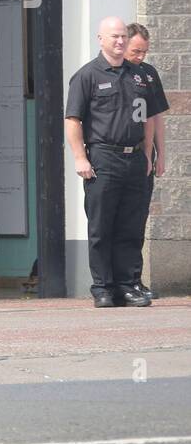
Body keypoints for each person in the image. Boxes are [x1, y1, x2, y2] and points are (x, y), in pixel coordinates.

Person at [65, 17, 155, 308]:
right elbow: (73, 120)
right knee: (102, 226)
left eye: (123, 37)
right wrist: (80, 157)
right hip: (103, 158)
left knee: (131, 226)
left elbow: (150, 116)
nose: (120, 41)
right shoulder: (87, 75)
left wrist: (148, 153)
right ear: (100, 39)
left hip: (135, 158)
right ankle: (103, 287)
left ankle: (127, 286)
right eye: (114, 37)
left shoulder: (138, 76)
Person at [124, 23, 169, 300]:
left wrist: (160, 153)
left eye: (143, 51)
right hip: (119, 154)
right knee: (120, 221)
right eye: (135, 51)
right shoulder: (116, 72)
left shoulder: (148, 74)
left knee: (138, 218)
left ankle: (135, 278)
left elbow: (156, 118)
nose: (139, 56)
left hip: (144, 156)